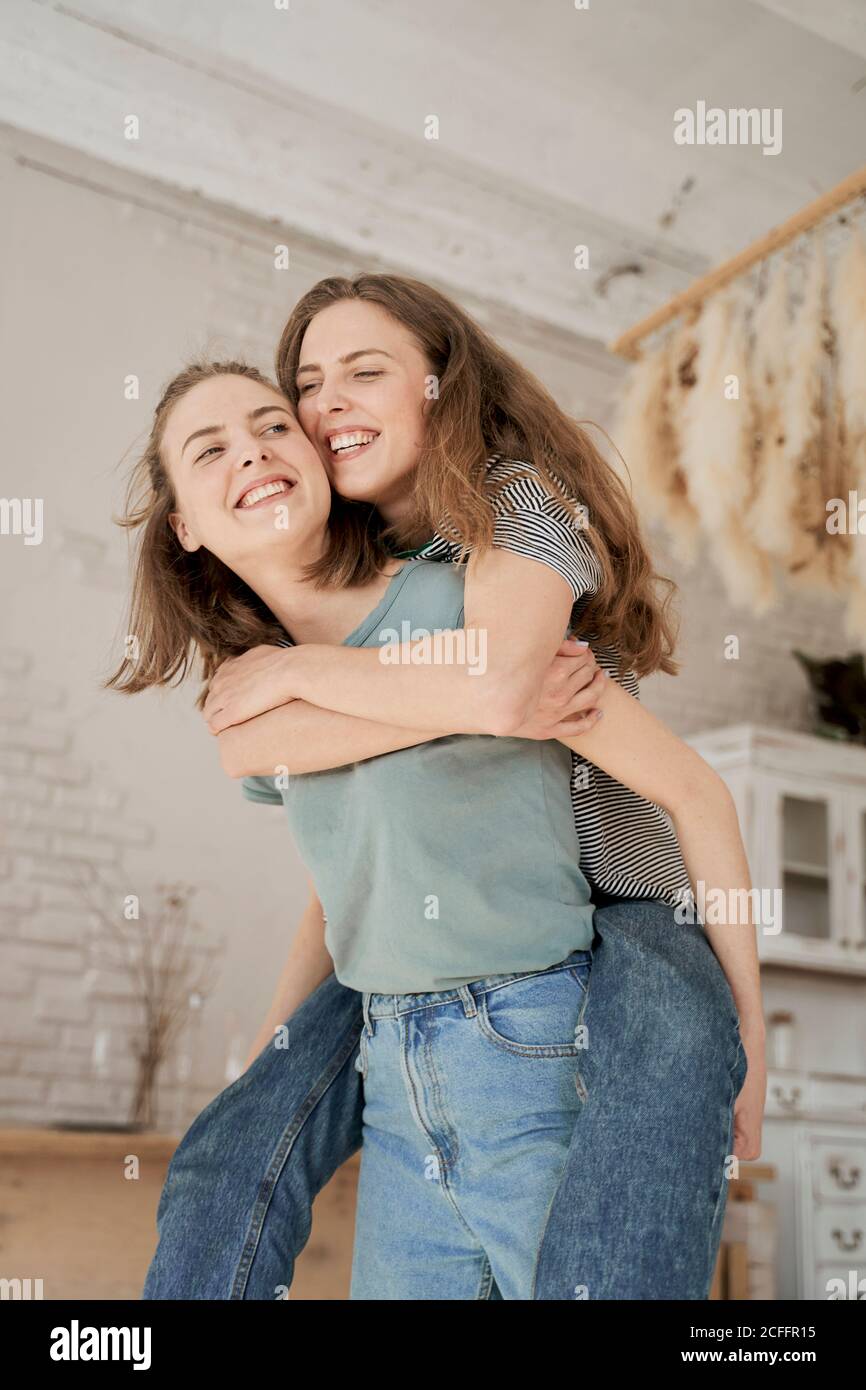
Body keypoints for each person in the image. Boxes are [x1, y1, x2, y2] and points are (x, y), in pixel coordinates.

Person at [105, 337, 762, 1296]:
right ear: (184, 530)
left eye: (271, 425)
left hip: (537, 1040)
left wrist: (744, 1038)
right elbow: (347, 885)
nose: (248, 451)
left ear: (323, 464)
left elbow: (678, 781)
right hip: (396, 1083)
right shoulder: (247, 695)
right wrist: (271, 1072)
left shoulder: (471, 608)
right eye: (208, 450)